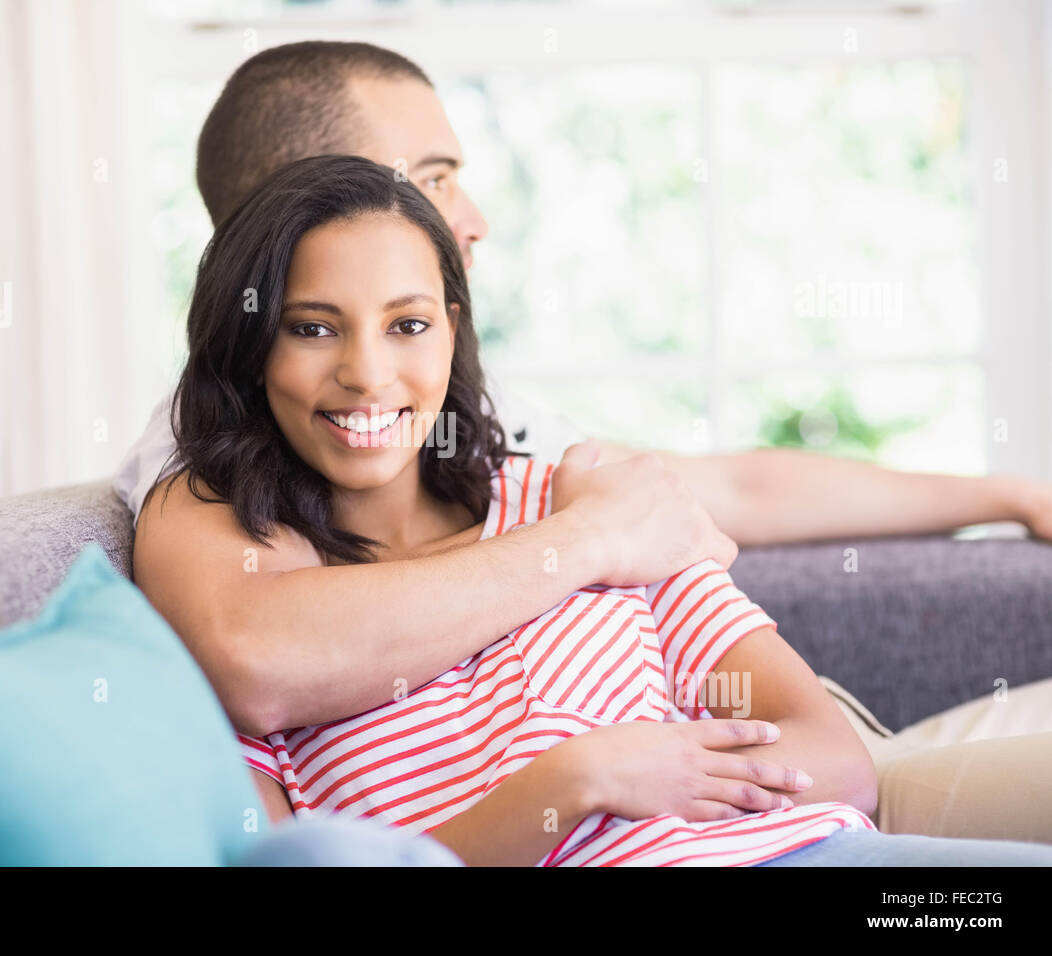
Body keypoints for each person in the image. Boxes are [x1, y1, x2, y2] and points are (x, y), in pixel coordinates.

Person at [123, 40, 1052, 844]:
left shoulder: (486, 442)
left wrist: (1008, 497)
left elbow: (742, 495)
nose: (473, 215)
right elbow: (260, 661)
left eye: (412, 325)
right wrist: (590, 550)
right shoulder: (200, 474)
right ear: (310, 191)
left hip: (771, 775)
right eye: (436, 177)